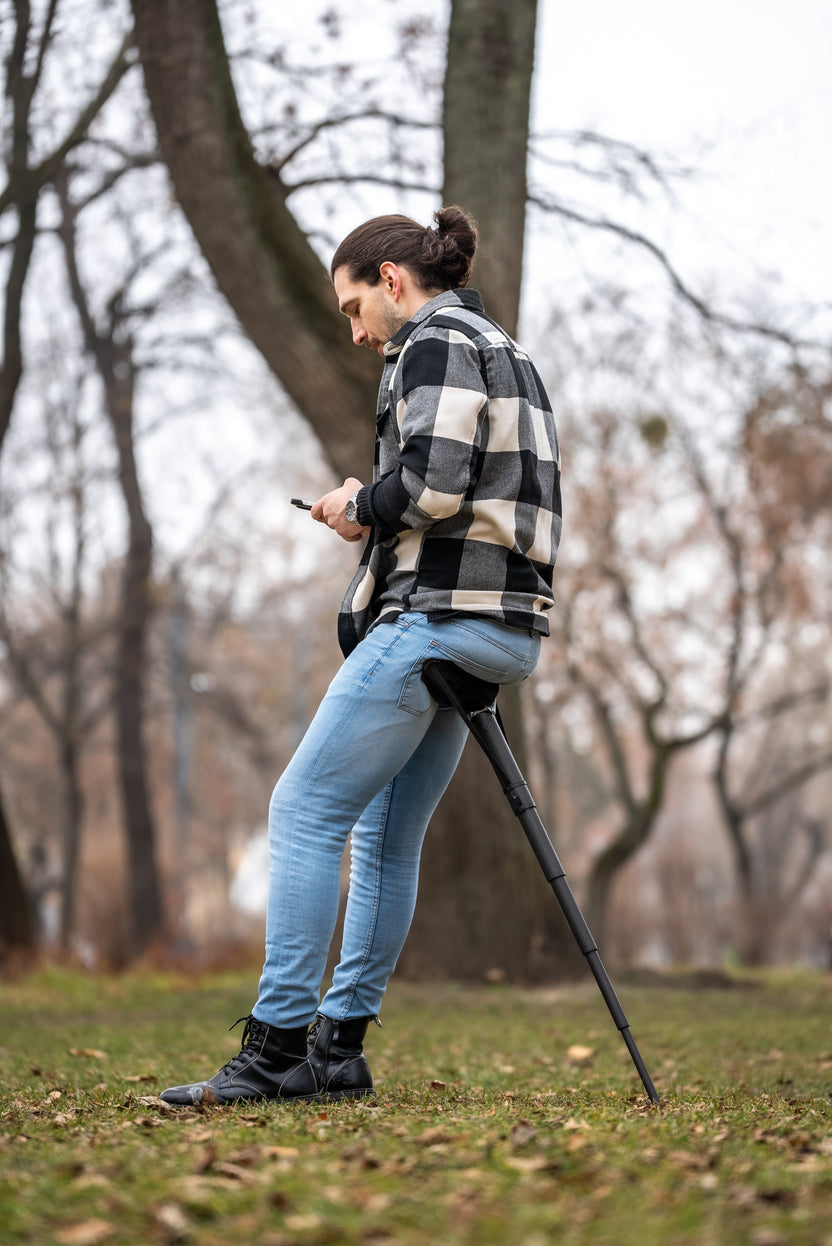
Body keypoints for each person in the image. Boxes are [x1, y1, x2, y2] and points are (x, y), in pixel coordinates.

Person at [160, 205, 562, 1106]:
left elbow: (432, 483)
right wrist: (372, 503)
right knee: (383, 839)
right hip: (506, 628)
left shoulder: (433, 340)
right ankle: (337, 1050)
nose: (353, 330)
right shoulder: (508, 348)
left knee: (302, 811)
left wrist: (355, 506)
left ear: (391, 280)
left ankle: (272, 1049)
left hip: (439, 617)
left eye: (352, 307)